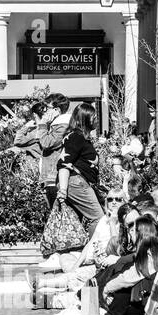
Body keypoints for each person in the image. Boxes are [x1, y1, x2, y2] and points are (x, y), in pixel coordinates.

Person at [56, 101, 104, 238]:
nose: (96, 120)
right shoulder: (76, 137)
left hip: (79, 183)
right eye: (93, 117)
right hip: (76, 182)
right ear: (85, 118)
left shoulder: (80, 137)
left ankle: (75, 253)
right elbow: (63, 163)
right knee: (98, 218)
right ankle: (94, 250)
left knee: (75, 222)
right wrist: (63, 190)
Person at [40, 94, 72, 207]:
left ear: (56, 110)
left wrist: (43, 124)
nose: (44, 111)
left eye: (47, 108)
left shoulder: (63, 126)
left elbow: (46, 143)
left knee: (56, 214)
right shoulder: (56, 125)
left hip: (55, 177)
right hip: (51, 176)